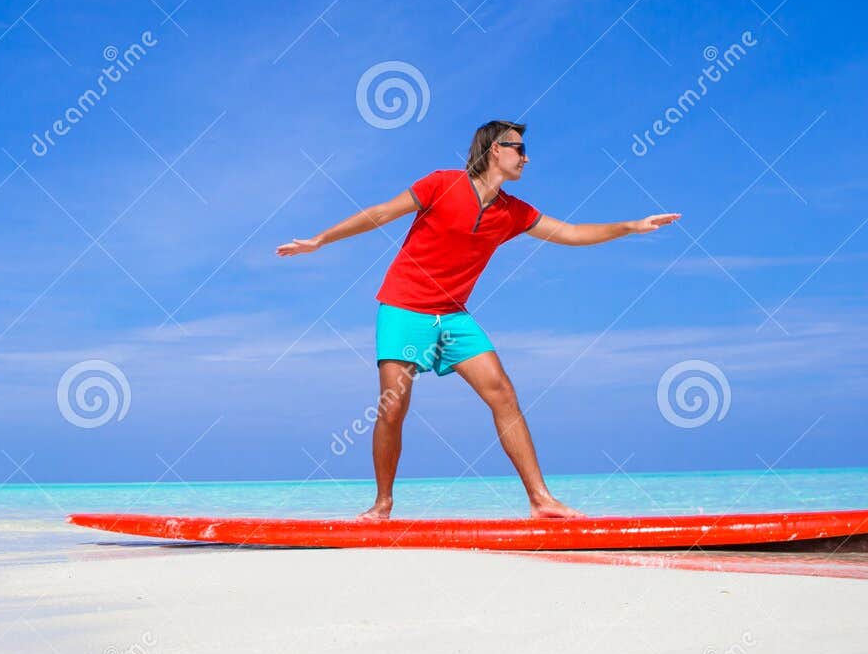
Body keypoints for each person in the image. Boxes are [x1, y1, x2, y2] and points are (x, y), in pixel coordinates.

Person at [277, 120, 679, 520]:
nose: (526, 156)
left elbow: (572, 233)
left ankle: (541, 500)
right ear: (494, 151)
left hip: (452, 317)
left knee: (502, 392)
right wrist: (320, 240)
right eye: (518, 148)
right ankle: (383, 504)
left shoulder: (513, 212)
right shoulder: (442, 184)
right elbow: (382, 213)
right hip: (404, 307)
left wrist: (631, 226)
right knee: (393, 406)